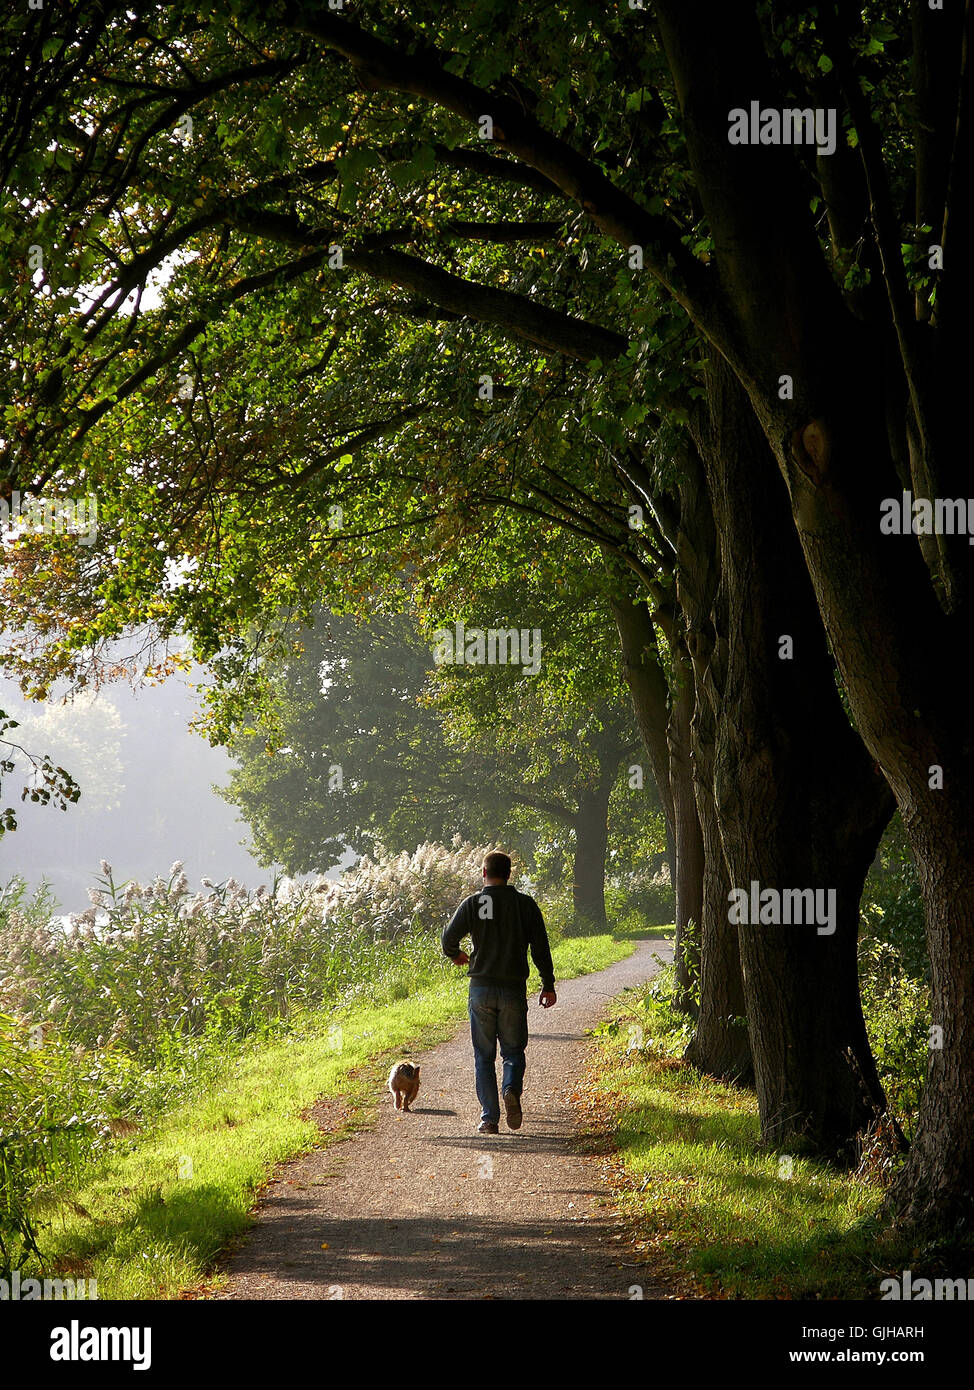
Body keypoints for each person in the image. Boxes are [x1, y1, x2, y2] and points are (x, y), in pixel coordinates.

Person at [442, 850, 557, 1134]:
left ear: (484, 873)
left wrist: (456, 954)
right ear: (508, 874)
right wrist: (548, 983)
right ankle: (511, 1089)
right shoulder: (525, 905)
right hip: (513, 989)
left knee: (483, 1056)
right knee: (513, 1052)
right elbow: (540, 947)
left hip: (480, 988)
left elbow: (448, 939)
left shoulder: (475, 903)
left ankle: (489, 1118)